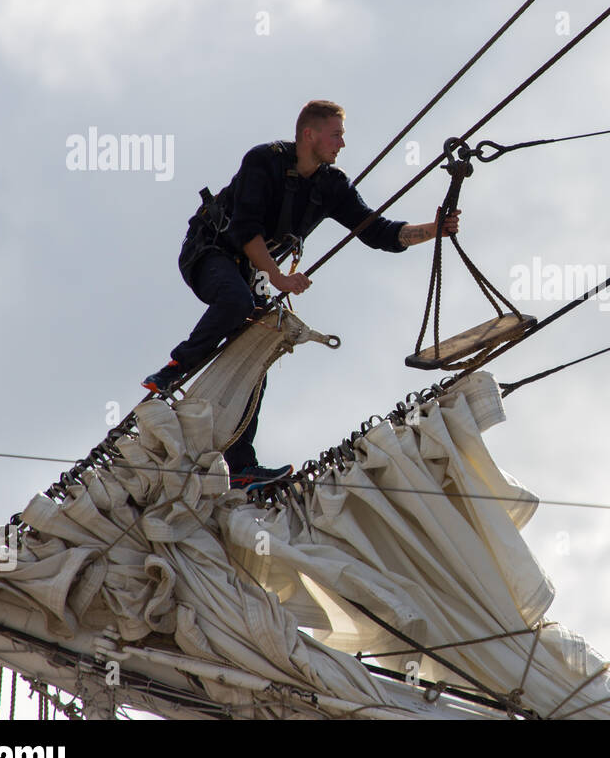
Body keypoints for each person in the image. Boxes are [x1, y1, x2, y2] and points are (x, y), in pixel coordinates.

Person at [141, 100, 459, 490]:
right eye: (336, 134)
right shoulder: (263, 160)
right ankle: (175, 369)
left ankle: (240, 465)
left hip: (249, 271)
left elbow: (377, 232)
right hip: (209, 252)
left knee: (260, 348)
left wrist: (435, 228)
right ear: (309, 134)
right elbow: (245, 229)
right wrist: (276, 276)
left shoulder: (331, 186)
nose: (342, 144)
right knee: (237, 302)